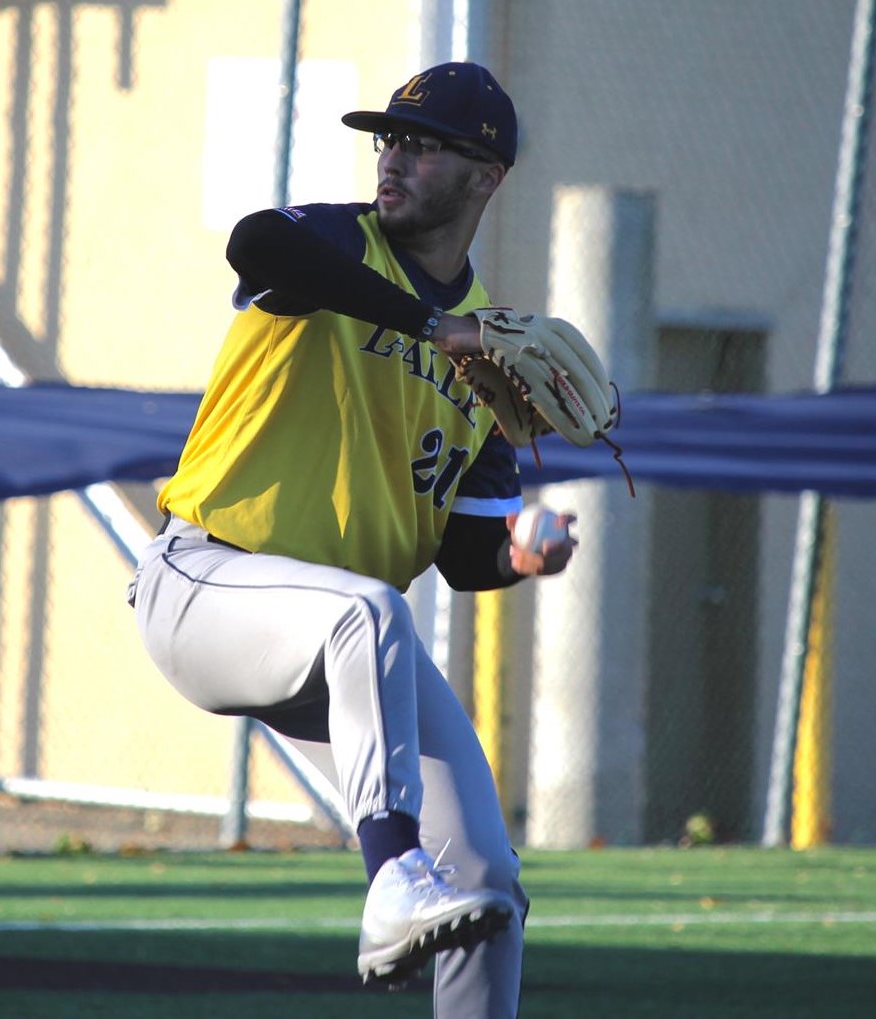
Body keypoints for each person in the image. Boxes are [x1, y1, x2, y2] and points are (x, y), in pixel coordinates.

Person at [128, 61, 575, 1016]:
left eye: (423, 144)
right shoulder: (336, 243)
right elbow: (258, 245)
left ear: (486, 176)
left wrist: (521, 554)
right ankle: (390, 881)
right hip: (204, 583)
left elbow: (462, 554)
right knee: (369, 614)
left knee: (488, 882)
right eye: (389, 139)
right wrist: (433, 327)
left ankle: (422, 895)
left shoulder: (485, 355)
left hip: (343, 645)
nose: (394, 158)